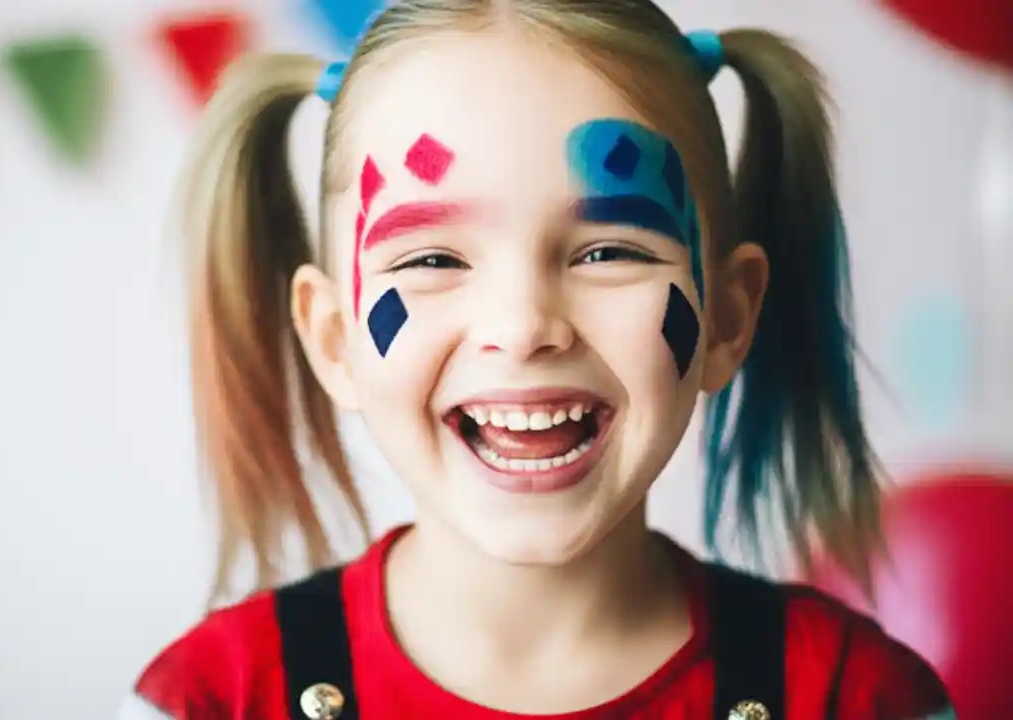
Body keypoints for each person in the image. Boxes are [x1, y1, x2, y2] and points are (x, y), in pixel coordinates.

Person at [121, 1, 954, 717]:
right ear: (333, 338)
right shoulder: (207, 702)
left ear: (728, 319)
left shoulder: (859, 698)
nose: (522, 327)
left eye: (608, 250)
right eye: (433, 259)